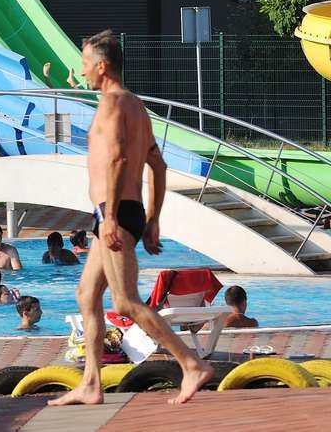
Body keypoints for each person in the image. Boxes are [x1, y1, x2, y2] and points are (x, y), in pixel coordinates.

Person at [53, 30, 212, 407]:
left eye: (85, 64)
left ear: (102, 66)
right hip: (122, 213)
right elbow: (157, 164)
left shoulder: (111, 105)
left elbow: (119, 159)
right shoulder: (136, 106)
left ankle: (191, 364)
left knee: (125, 302)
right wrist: (153, 219)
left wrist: (108, 216)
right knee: (86, 295)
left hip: (115, 214)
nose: (82, 71)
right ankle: (91, 382)